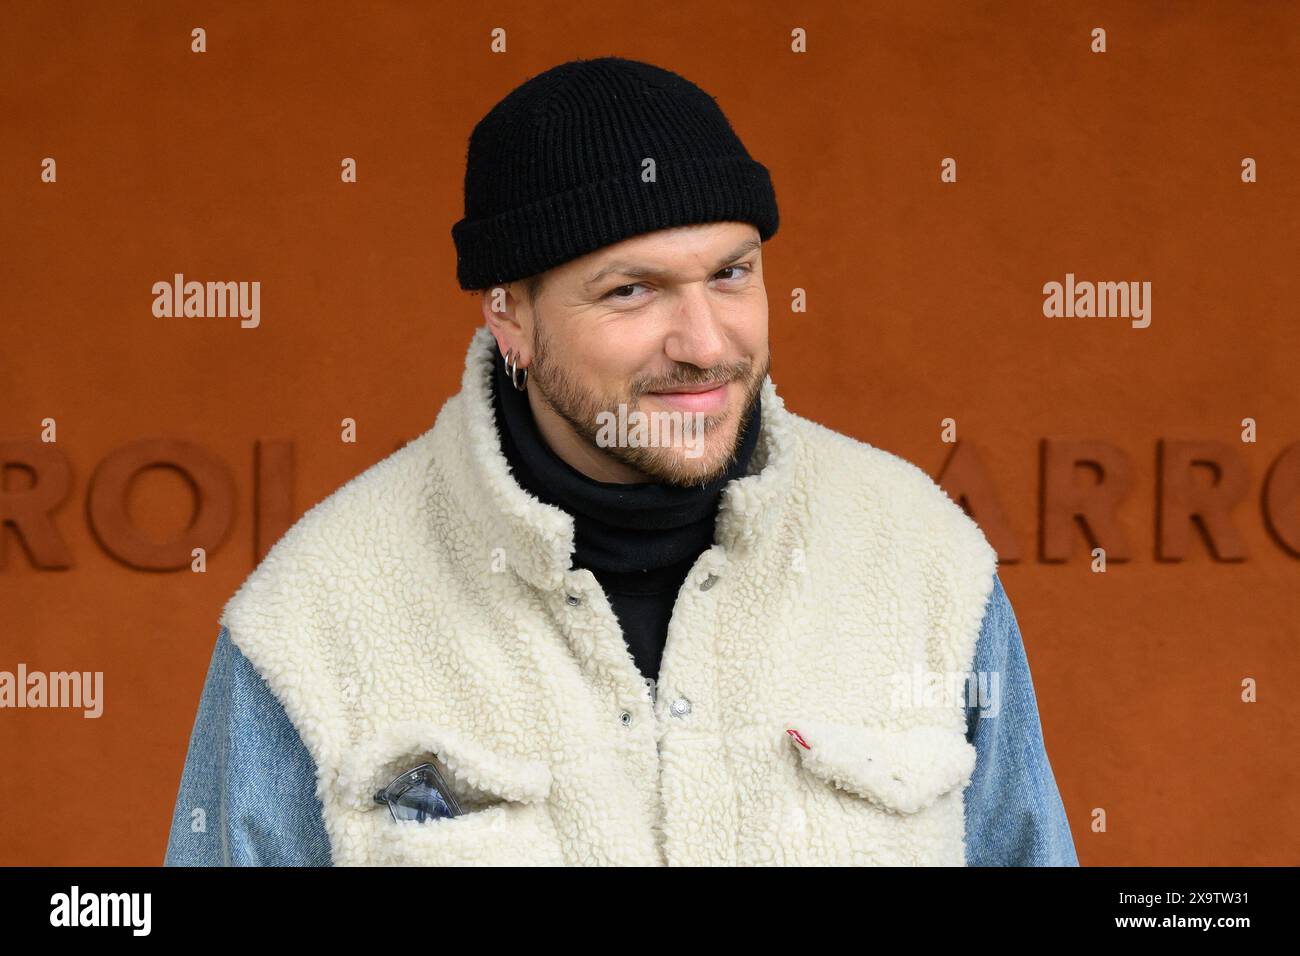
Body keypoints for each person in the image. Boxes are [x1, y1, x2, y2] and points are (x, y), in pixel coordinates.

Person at [165, 55, 1077, 866]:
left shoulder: (924, 562)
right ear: (509, 312)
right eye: (632, 290)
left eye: (731, 273)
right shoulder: (315, 618)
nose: (705, 344)